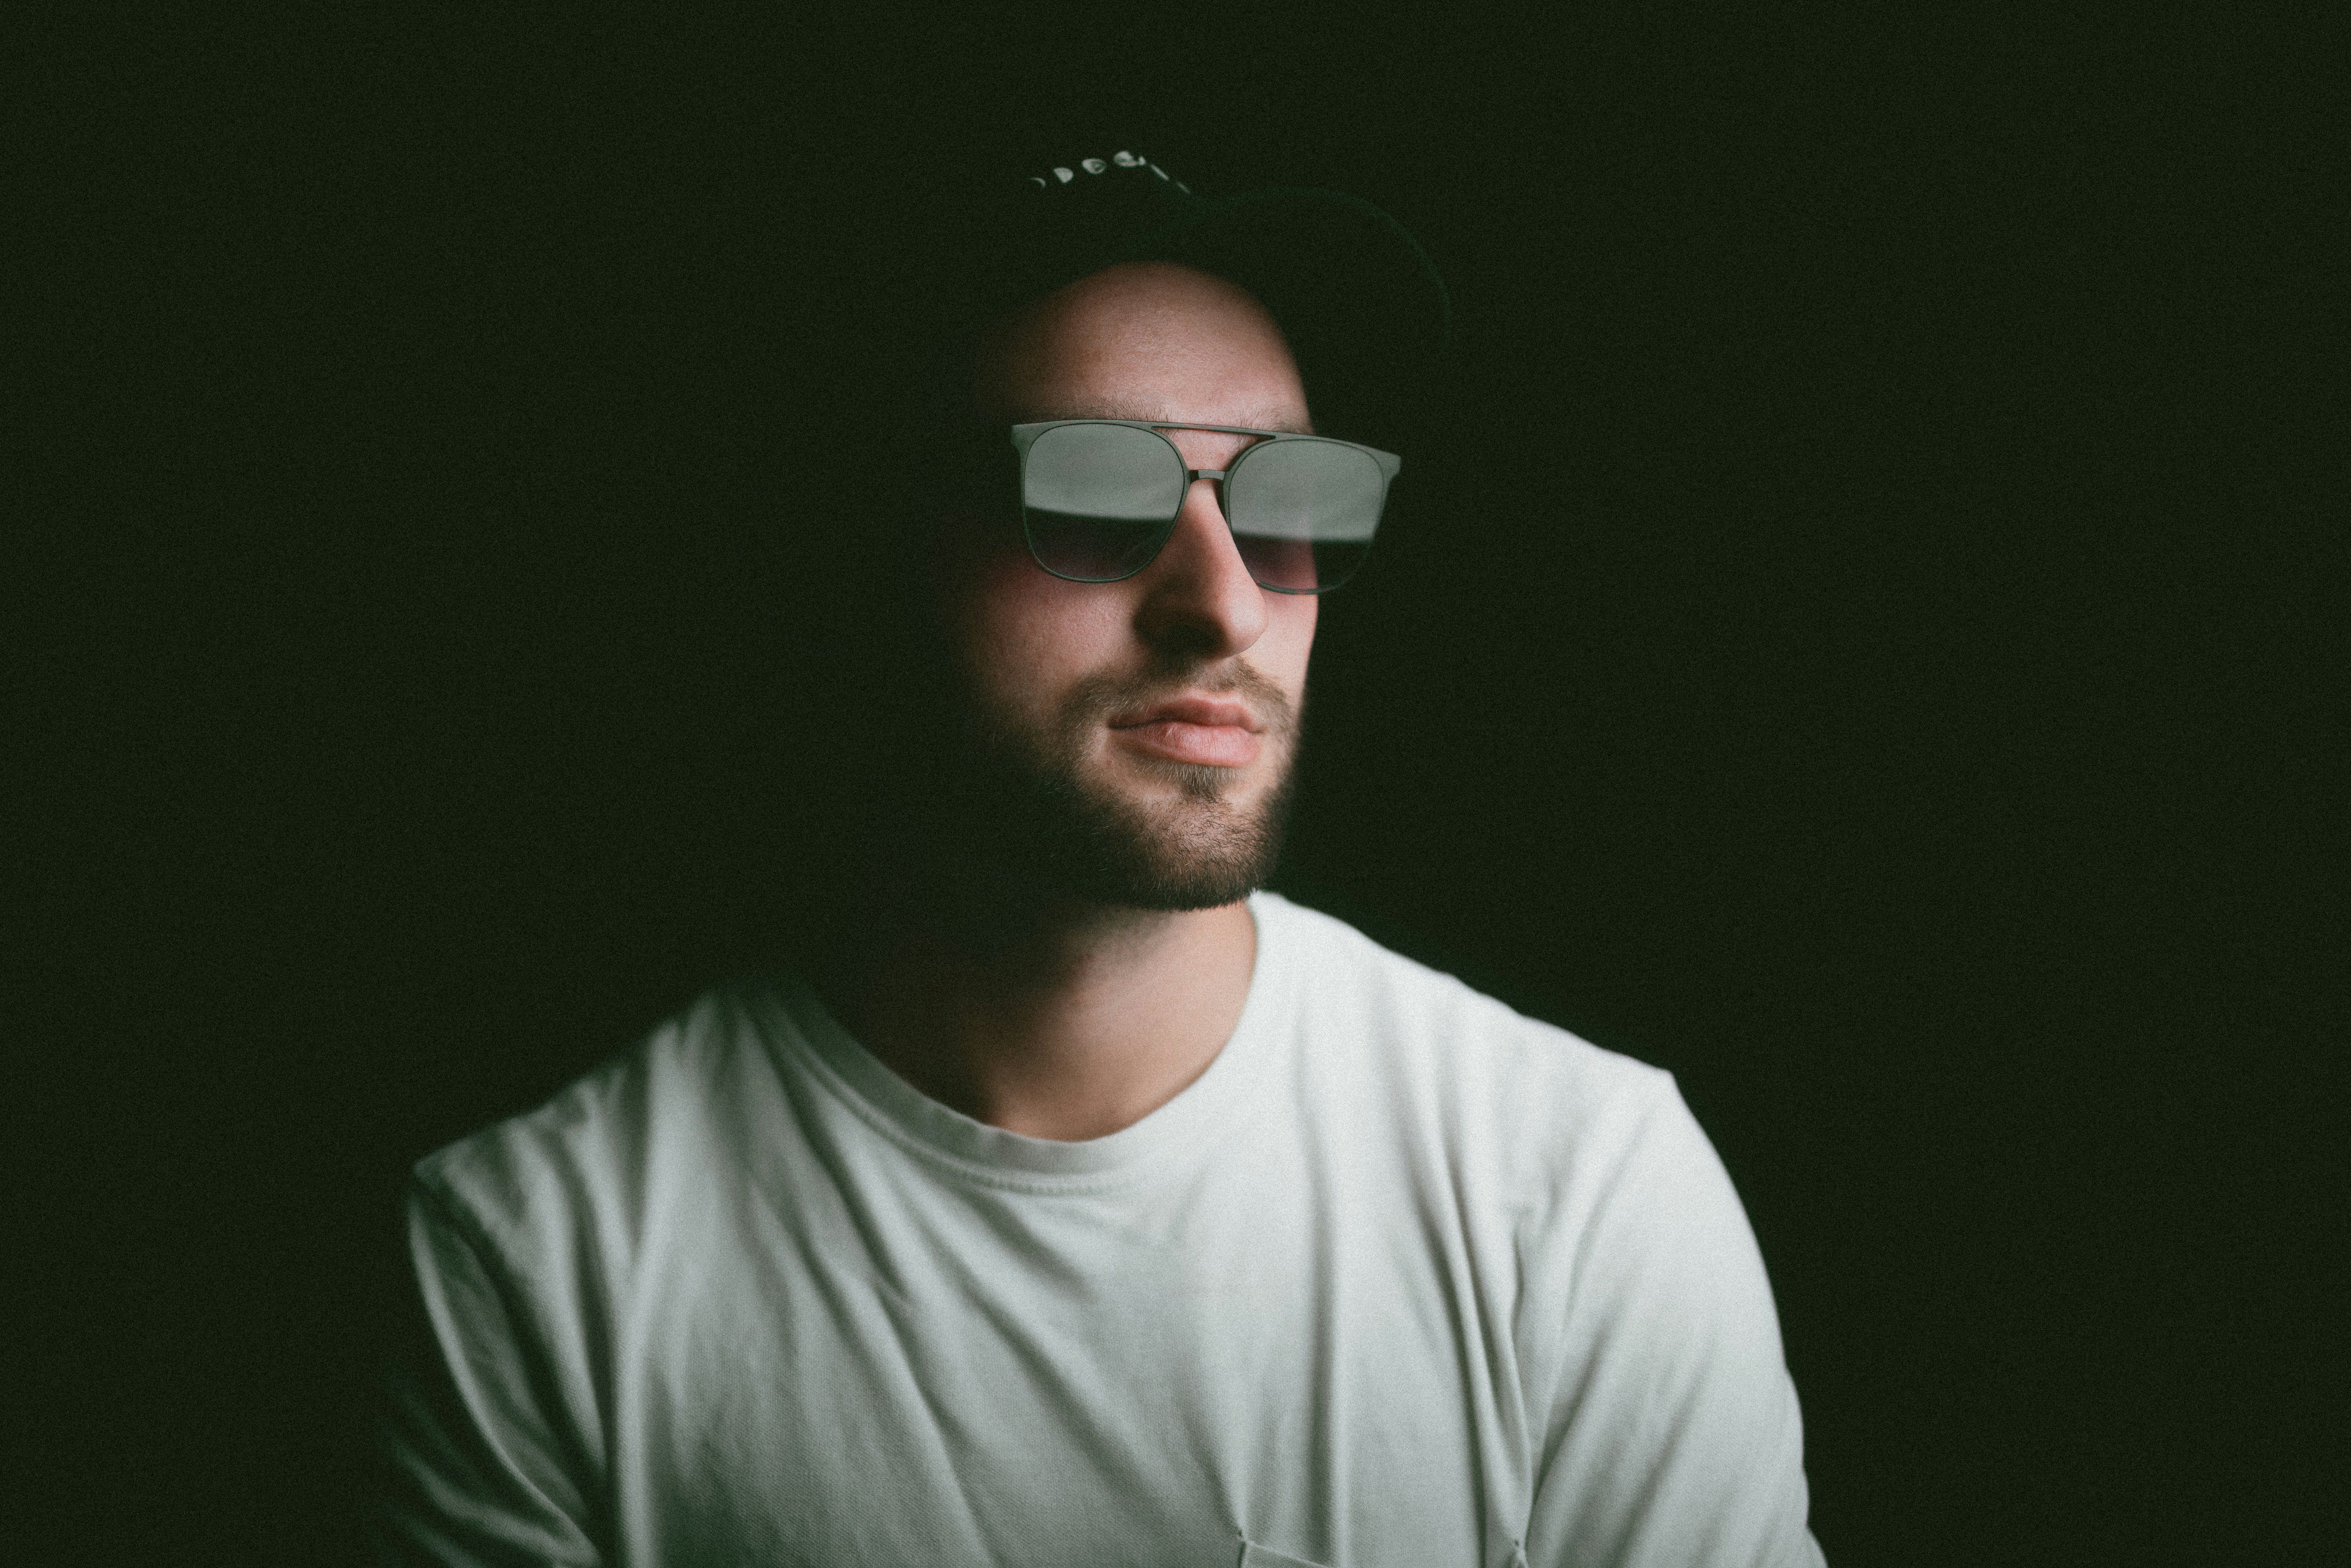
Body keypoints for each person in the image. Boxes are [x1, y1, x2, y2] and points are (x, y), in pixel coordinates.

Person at [371, 148, 1827, 1567]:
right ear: (881, 553)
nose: (1226, 605)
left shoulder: (1569, 1191)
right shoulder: (536, 1264)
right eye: (1088, 490)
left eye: (1290, 497)